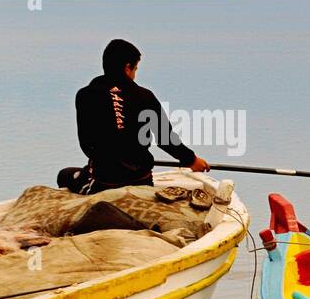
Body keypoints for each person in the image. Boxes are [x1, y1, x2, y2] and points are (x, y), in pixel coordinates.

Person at [59, 39, 210, 194]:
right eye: (135, 69)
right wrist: (191, 160)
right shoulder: (145, 96)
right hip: (140, 180)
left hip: (105, 181)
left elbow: (86, 144)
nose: (134, 74)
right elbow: (165, 139)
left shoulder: (85, 95)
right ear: (127, 68)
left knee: (64, 175)